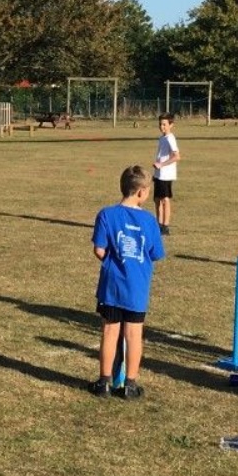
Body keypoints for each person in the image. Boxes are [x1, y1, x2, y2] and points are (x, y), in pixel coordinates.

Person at [89, 164, 166, 400]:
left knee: (110, 332)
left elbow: (99, 250)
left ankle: (104, 382)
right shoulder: (150, 221)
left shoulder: (106, 214)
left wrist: (115, 259)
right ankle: (130, 384)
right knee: (134, 334)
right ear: (142, 192)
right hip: (137, 287)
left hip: (112, 285)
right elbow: (155, 253)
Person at [152, 112, 181, 234]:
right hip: (159, 174)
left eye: (164, 124)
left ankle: (165, 226)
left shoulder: (170, 138)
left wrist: (161, 165)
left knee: (165, 199)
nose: (162, 127)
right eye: (160, 124)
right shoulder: (162, 138)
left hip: (166, 175)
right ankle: (158, 225)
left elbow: (177, 156)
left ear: (171, 125)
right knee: (157, 199)